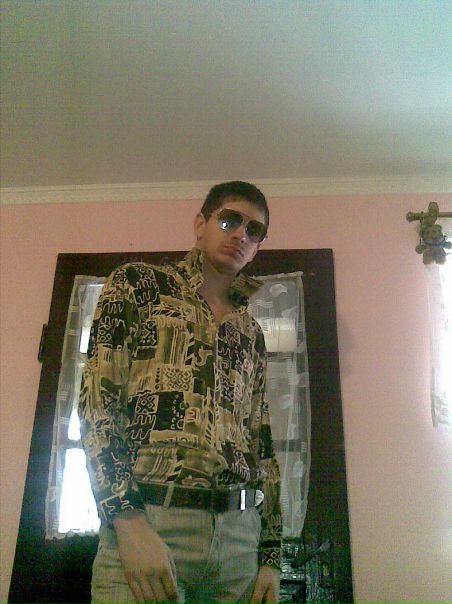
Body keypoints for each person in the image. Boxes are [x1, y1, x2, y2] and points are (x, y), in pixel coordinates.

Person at [79, 181, 282, 604]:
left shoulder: (250, 331)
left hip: (239, 539)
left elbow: (260, 441)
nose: (240, 234)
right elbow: (98, 406)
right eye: (229, 220)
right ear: (200, 224)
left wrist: (270, 555)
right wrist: (127, 521)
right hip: (152, 522)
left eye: (254, 230)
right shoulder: (138, 285)